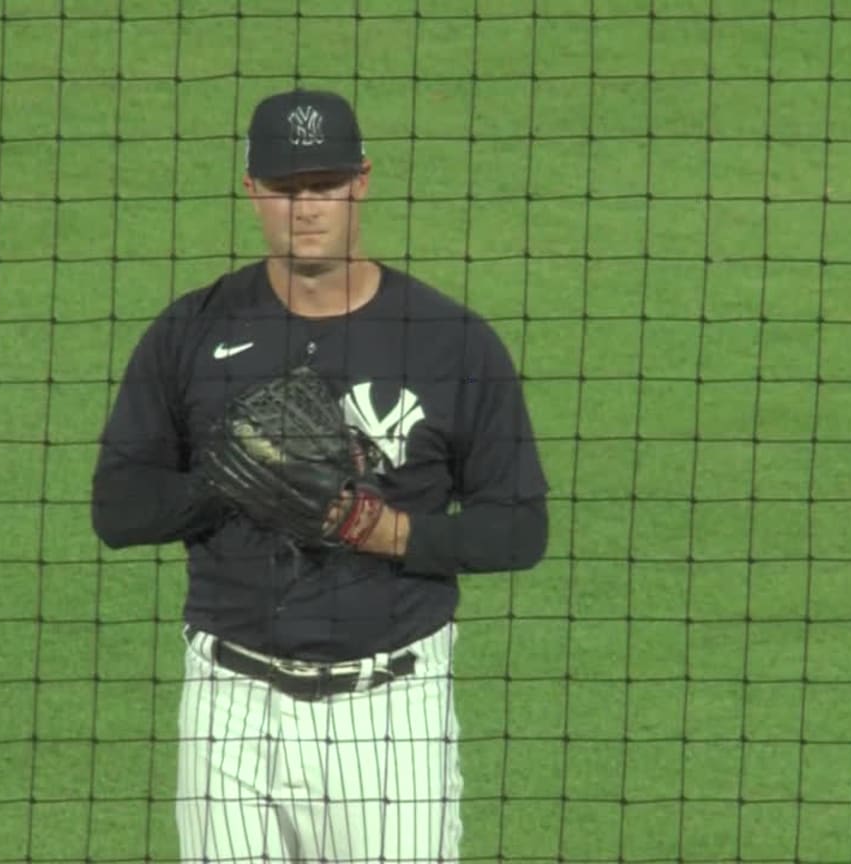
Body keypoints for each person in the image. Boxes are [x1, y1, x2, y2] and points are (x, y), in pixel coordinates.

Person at [90, 87, 549, 863]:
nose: (306, 208)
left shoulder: (452, 342)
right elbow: (118, 509)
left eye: (325, 186)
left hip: (390, 714)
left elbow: (519, 528)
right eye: (285, 189)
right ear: (252, 191)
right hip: (231, 709)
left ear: (361, 181)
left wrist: (379, 530)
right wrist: (228, 481)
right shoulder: (191, 331)